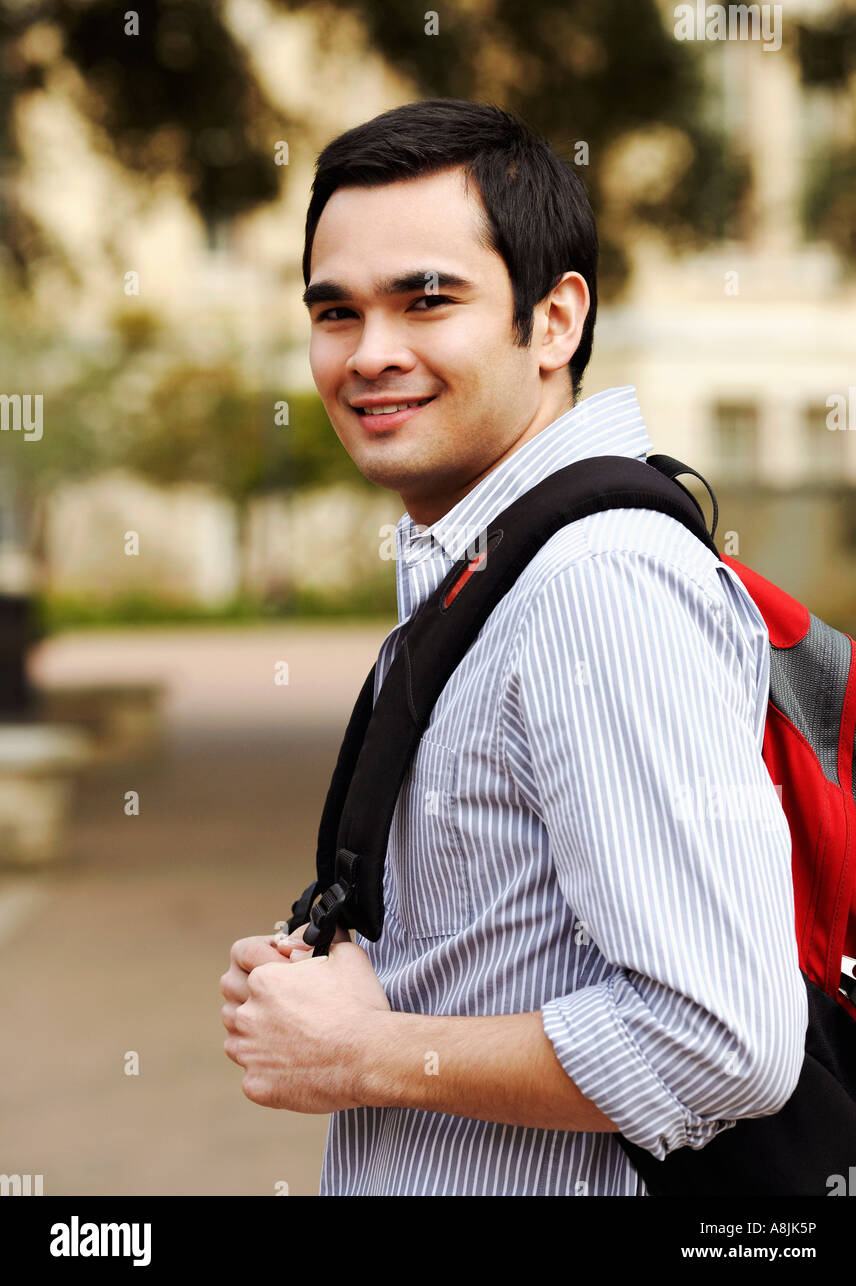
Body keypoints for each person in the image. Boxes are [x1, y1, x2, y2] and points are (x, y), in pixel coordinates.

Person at [220, 98, 808, 1196]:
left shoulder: (597, 587)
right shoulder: (496, 569)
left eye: (426, 299)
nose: (369, 354)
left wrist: (361, 1052)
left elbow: (721, 1038)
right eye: (335, 311)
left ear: (553, 320)